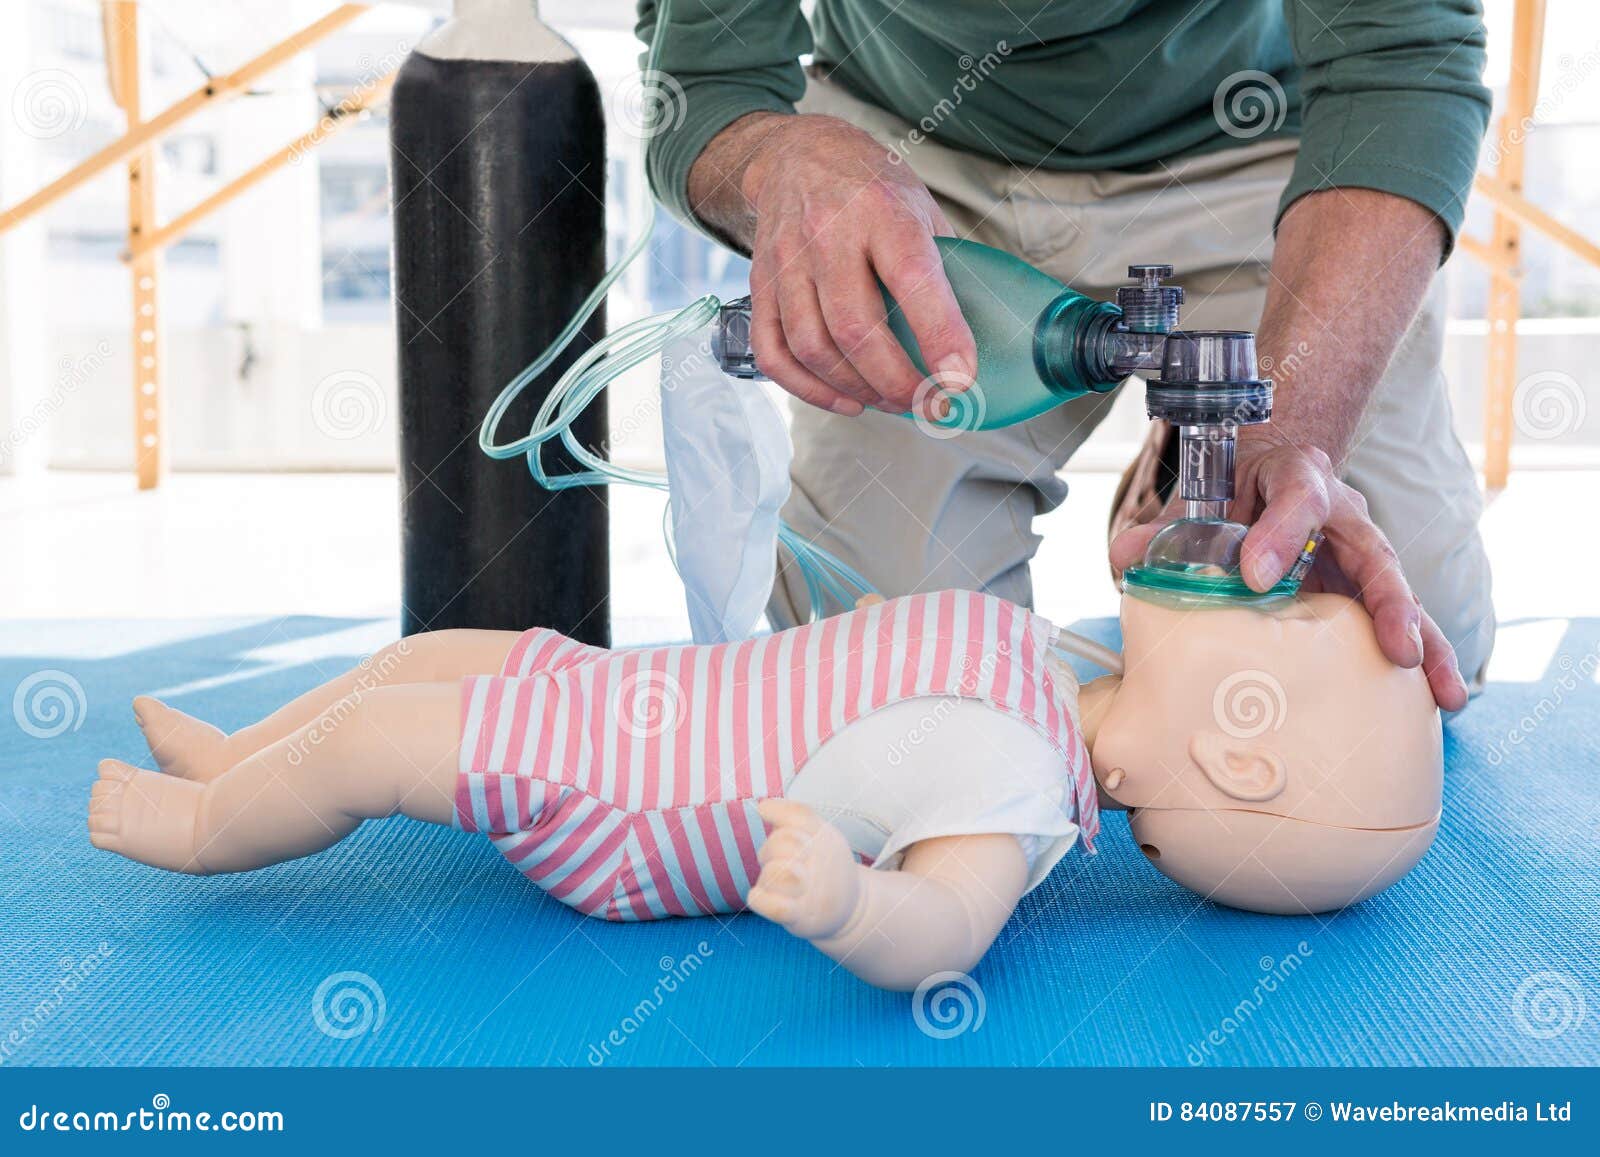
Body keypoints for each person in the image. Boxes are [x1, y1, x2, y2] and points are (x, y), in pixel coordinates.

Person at [633, 0, 1496, 711]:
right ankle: (1189, 463)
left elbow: (1401, 67)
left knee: (1399, 651)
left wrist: (1288, 426)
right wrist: (786, 159)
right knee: (896, 699)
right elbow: (706, 84)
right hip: (915, 173)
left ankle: (1190, 455)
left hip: (1259, 153)